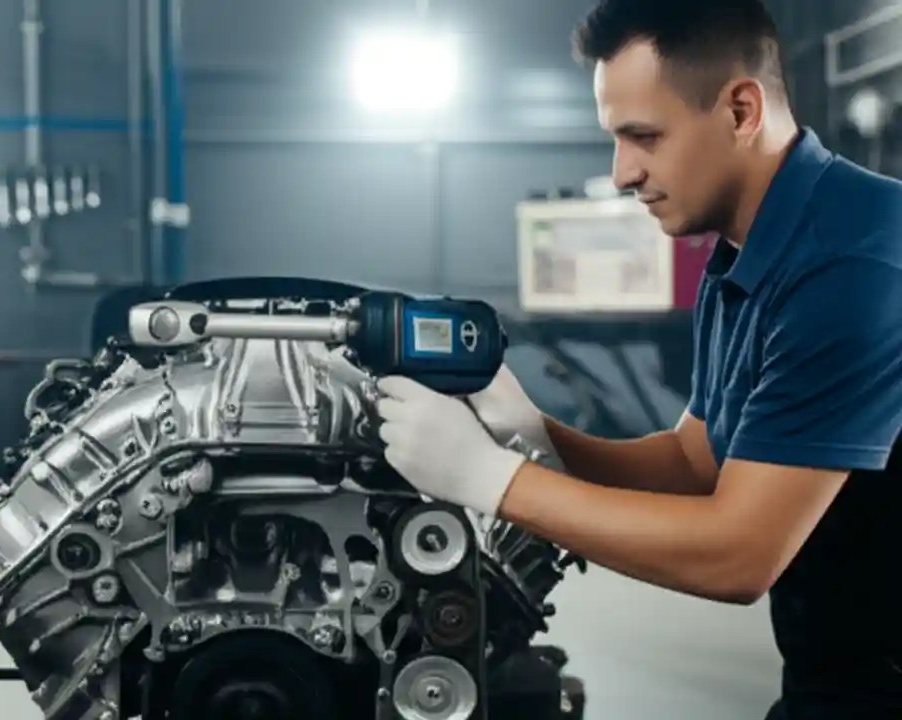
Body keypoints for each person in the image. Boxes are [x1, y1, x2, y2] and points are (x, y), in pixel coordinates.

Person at [373, 1, 902, 718]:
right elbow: (695, 462)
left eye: (643, 136)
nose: (622, 173)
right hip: (836, 676)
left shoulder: (856, 263)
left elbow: (740, 554)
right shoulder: (744, 257)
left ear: (742, 111)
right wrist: (534, 435)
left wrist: (493, 480)